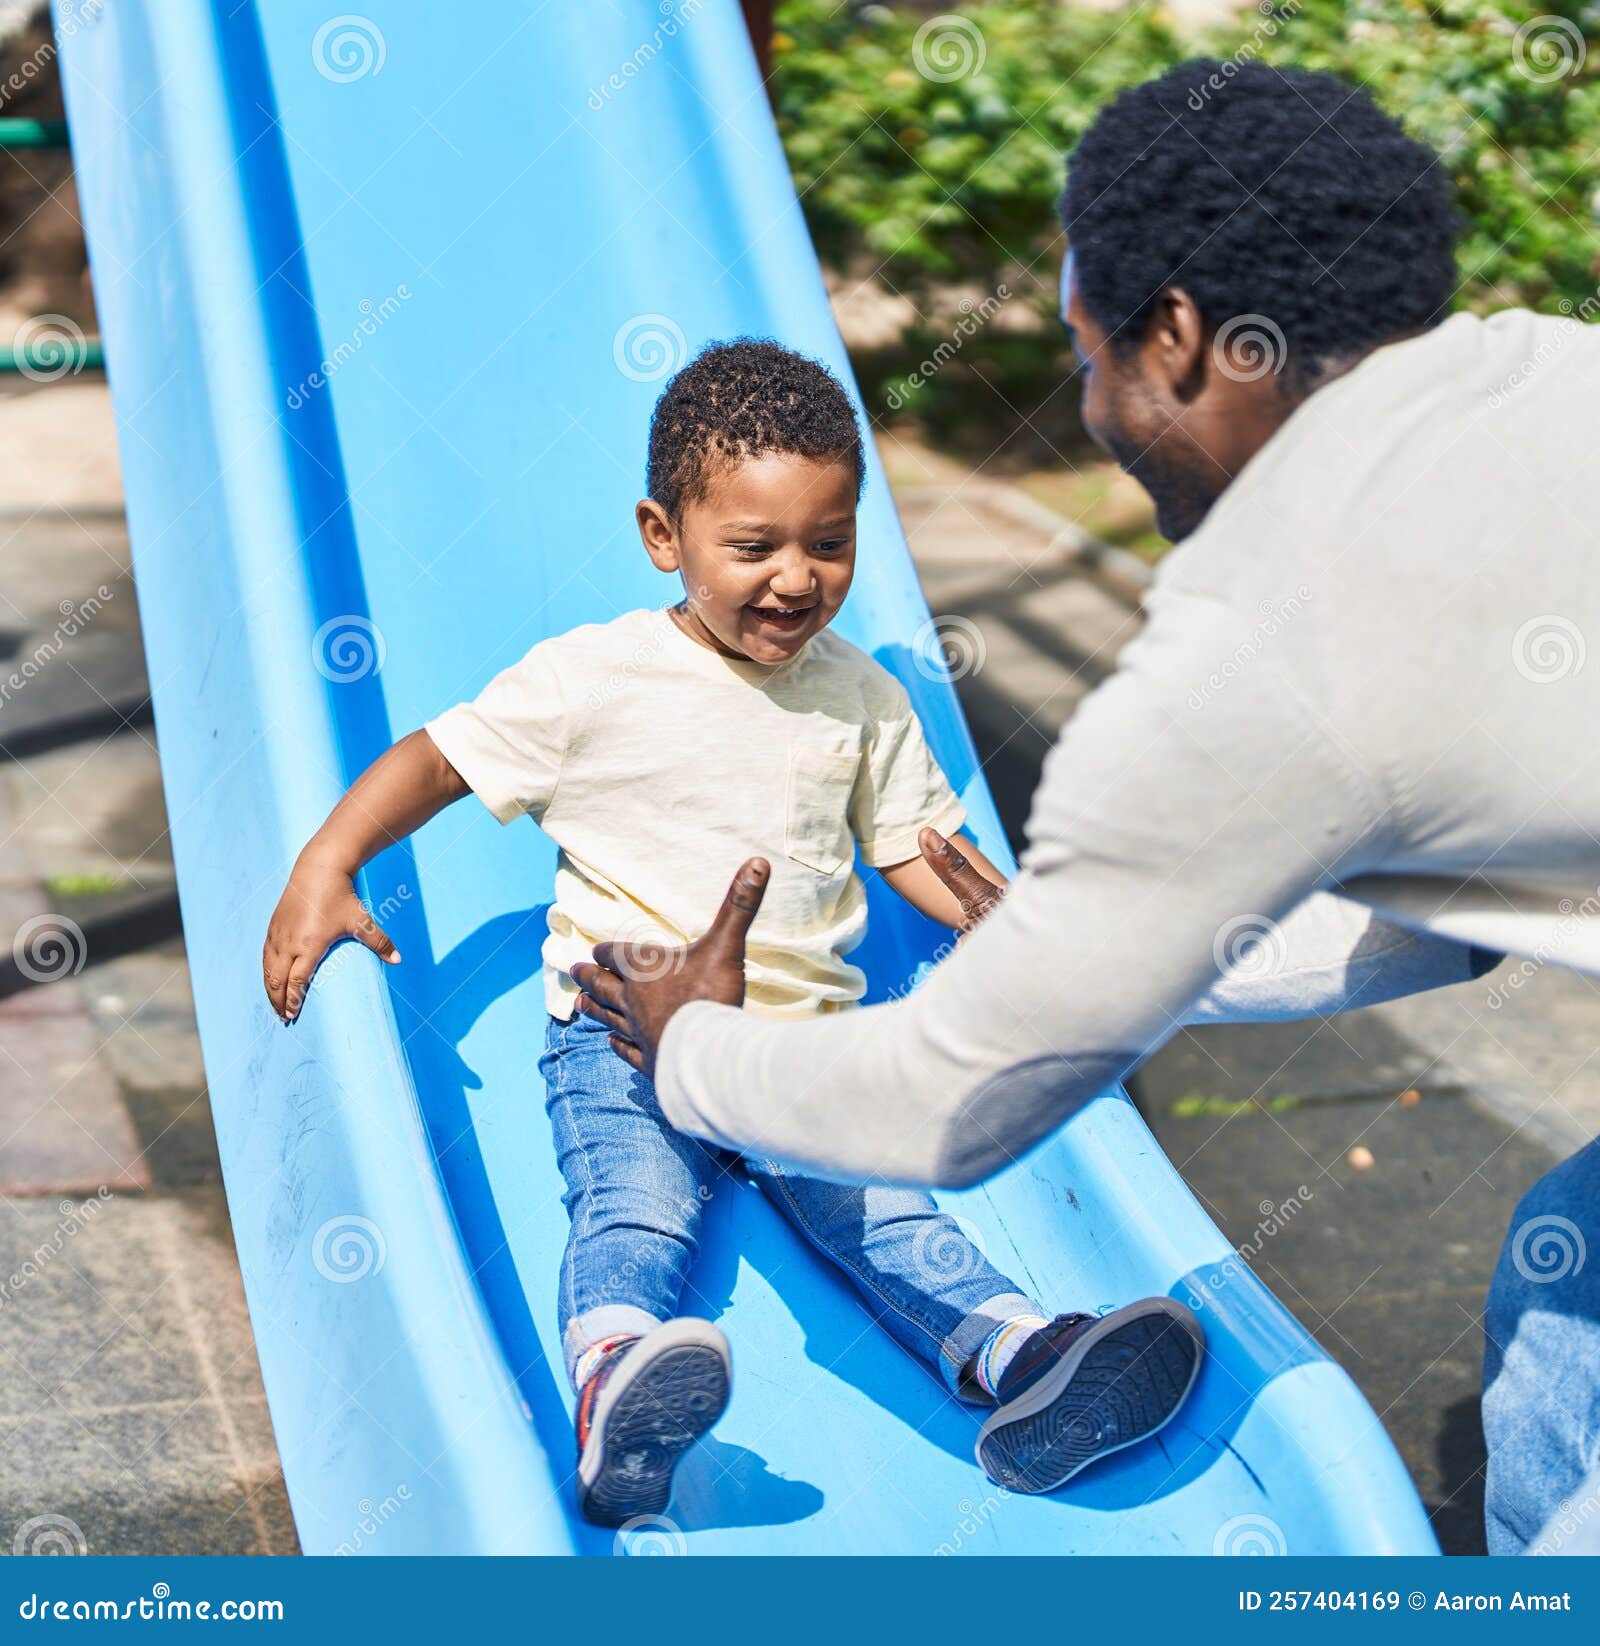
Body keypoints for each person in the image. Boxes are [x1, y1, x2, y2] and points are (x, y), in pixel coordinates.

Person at [569, 62, 1600, 1551]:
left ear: (1180, 335)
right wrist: (1100, 947)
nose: (1094, 406)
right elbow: (1452, 919)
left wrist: (698, 1050)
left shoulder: (1268, 640)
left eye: (1093, 356)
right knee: (1568, 1285)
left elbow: (951, 1104)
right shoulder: (1544, 366)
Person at [261, 339, 1203, 1528]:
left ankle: (1023, 1358)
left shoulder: (859, 692)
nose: (796, 578)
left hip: (800, 1041)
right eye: (751, 548)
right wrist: (328, 862)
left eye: (829, 542)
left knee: (889, 1210)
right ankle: (616, 1378)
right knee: (633, 1208)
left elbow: (917, 842)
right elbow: (439, 760)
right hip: (624, 1033)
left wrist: (1014, 925)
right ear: (665, 535)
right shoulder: (594, 676)